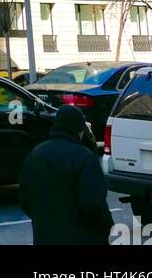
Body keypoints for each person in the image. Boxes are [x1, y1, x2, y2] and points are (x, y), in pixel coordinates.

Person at [19, 103, 113, 245]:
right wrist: (106, 227)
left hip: (45, 236)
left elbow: (25, 198)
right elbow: (94, 203)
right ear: (79, 130)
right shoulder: (84, 157)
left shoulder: (36, 154)